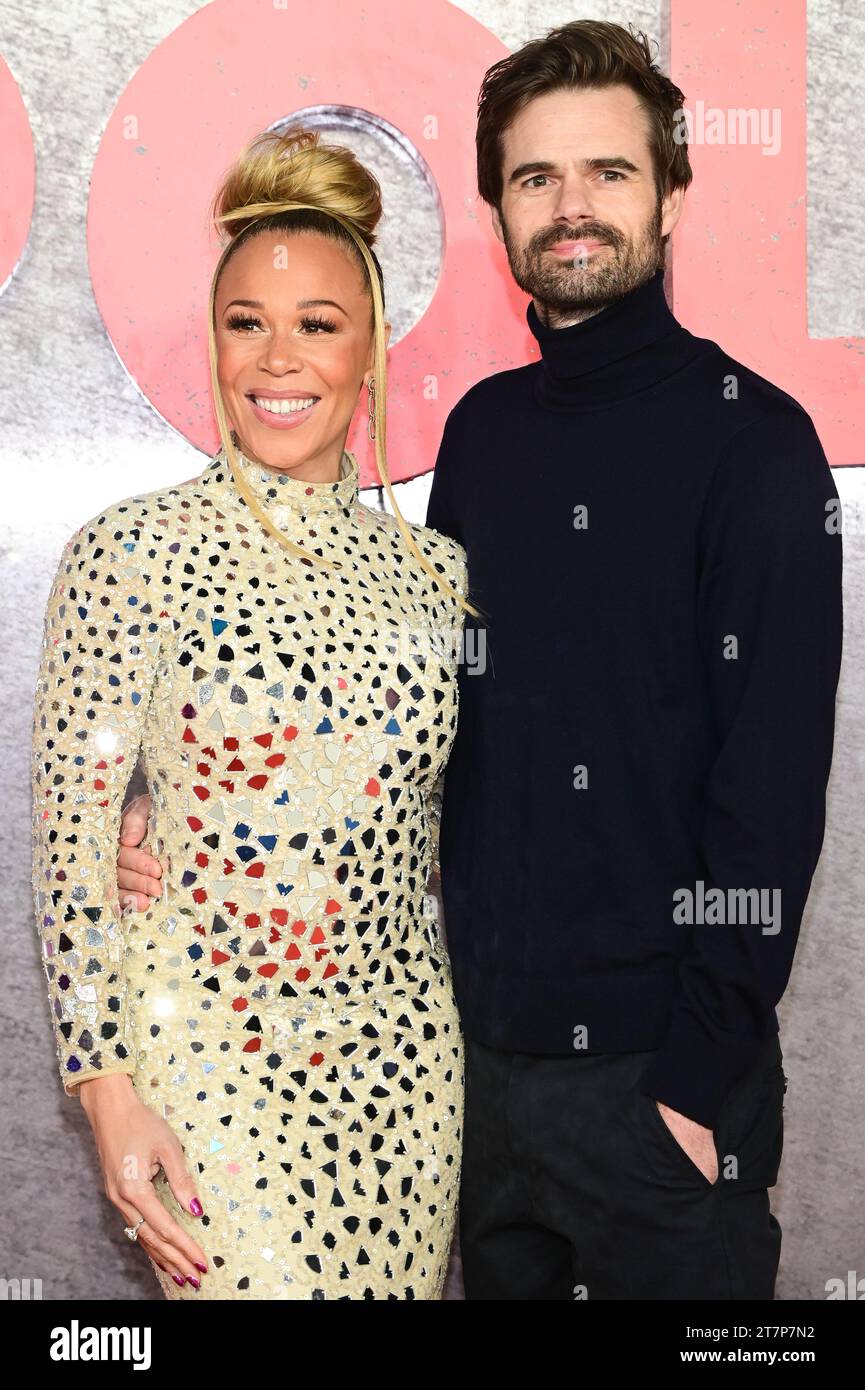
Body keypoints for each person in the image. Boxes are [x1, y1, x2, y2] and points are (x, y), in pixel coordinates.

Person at [117, 21, 843, 1301]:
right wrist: (183, 815)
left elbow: (769, 802)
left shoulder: (760, 448)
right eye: (534, 178)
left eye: (608, 174)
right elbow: (423, 731)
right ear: (498, 209)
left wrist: (690, 1079)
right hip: (468, 1077)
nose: (571, 209)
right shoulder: (488, 437)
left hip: (661, 1097)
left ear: (673, 192)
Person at [31, 126, 474, 1300]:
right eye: (246, 323)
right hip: (207, 1064)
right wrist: (108, 1087)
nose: (277, 359)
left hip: (407, 1072)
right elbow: (72, 849)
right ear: (214, 341)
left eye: (317, 324)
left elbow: (429, 838)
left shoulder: (436, 574)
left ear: (371, 346)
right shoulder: (132, 553)